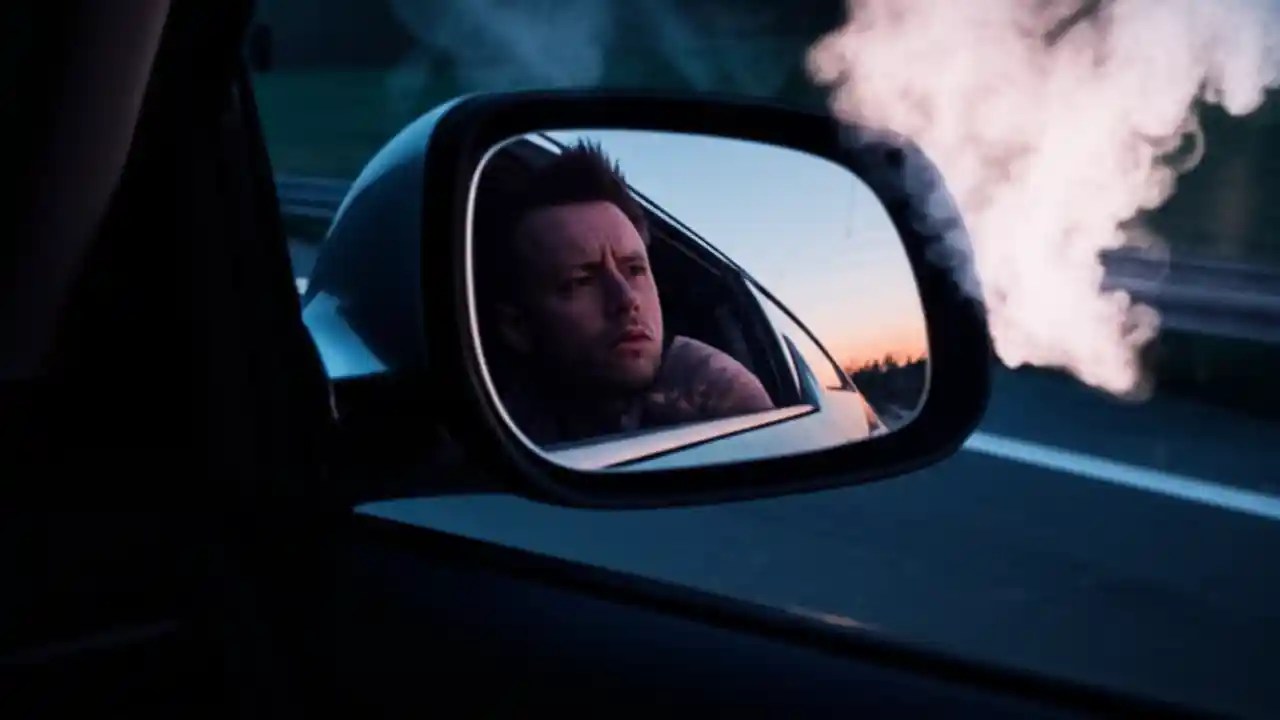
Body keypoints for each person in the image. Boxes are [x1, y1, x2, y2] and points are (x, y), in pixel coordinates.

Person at [475, 140, 775, 446]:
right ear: (517, 327)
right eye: (581, 280)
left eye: (635, 270)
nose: (626, 300)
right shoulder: (492, 425)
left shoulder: (709, 388)